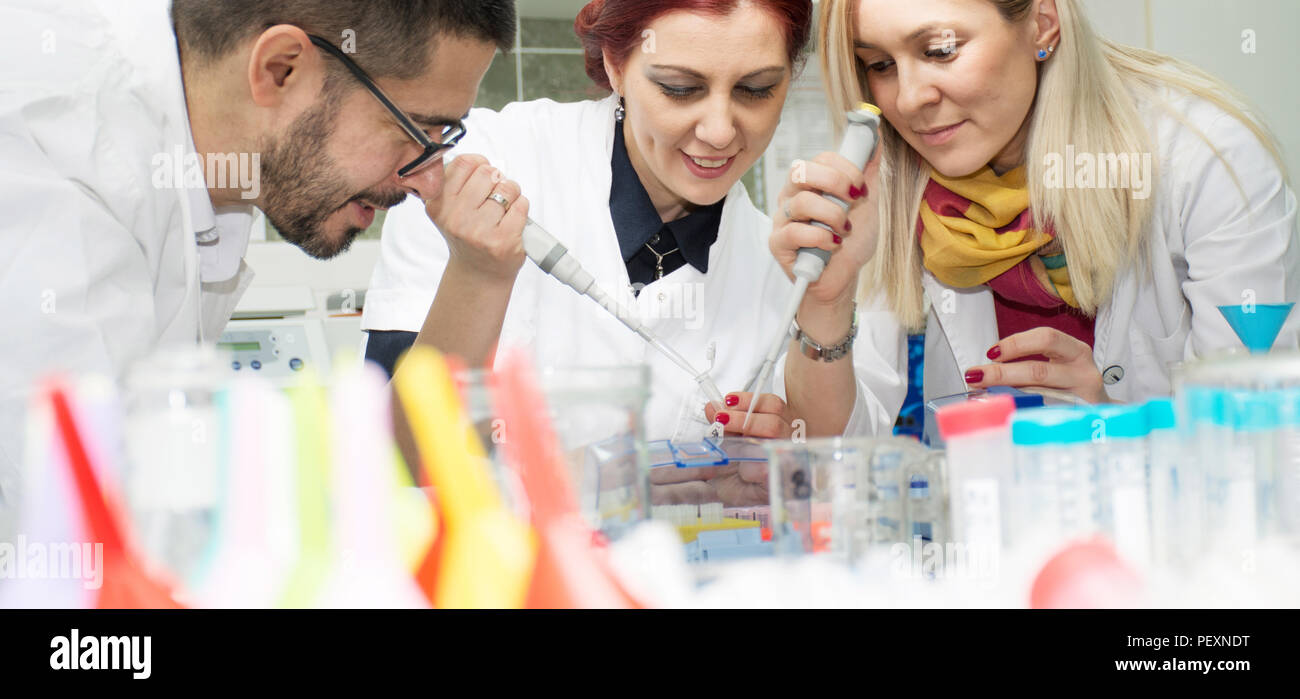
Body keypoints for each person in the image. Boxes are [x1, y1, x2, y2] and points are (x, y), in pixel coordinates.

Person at [0, 0, 517, 515]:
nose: (428, 182)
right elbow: (95, 520)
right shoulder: (54, 144)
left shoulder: (221, 156)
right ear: (281, 68)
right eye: (414, 132)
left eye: (442, 139)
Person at [363, 0, 907, 461]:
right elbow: (396, 461)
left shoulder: (801, 253)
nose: (719, 132)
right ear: (616, 65)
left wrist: (778, 464)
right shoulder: (480, 168)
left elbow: (846, 467)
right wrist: (476, 276)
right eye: (679, 88)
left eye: (756, 89)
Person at [782, 0, 1297, 407]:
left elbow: (1257, 436)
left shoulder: (1204, 160)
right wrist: (826, 302)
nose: (909, 98)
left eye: (940, 51)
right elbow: (833, 458)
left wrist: (1105, 422)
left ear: (1043, 24)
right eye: (879, 64)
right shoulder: (883, 181)